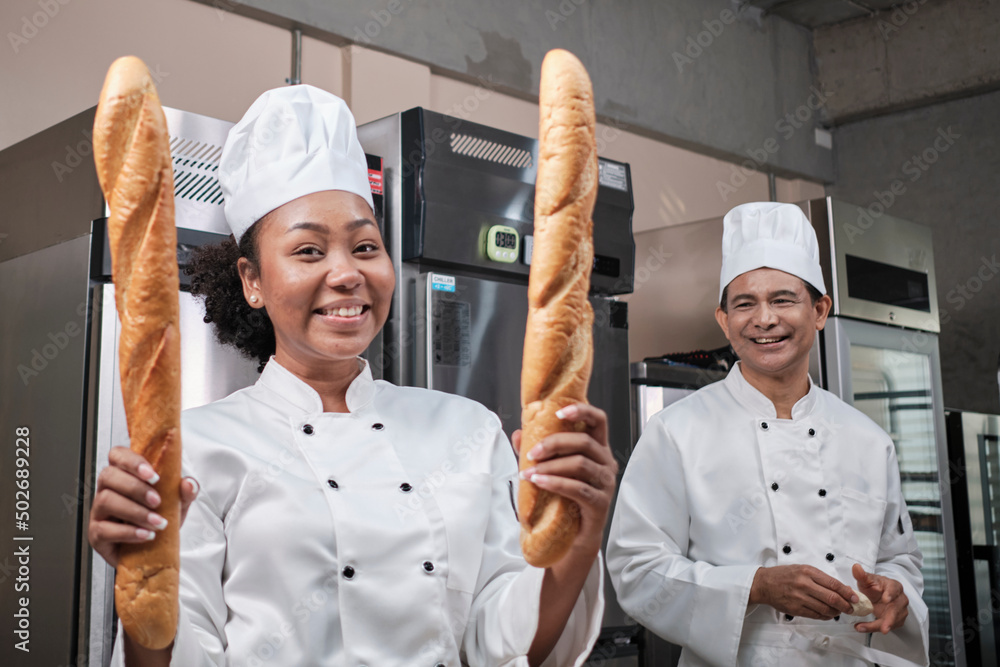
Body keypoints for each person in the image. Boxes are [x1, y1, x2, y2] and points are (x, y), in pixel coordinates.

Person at [88, 84, 618, 666]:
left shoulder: (467, 427)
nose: (347, 274)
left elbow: (506, 645)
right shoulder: (195, 449)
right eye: (309, 251)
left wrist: (580, 535)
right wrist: (140, 581)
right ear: (252, 281)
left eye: (365, 246)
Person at [606, 202, 929, 666]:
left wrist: (899, 597)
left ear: (819, 311)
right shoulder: (677, 433)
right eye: (744, 304)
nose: (764, 319)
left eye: (782, 299)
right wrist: (755, 586)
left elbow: (901, 560)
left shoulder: (868, 440)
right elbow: (637, 570)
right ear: (724, 321)